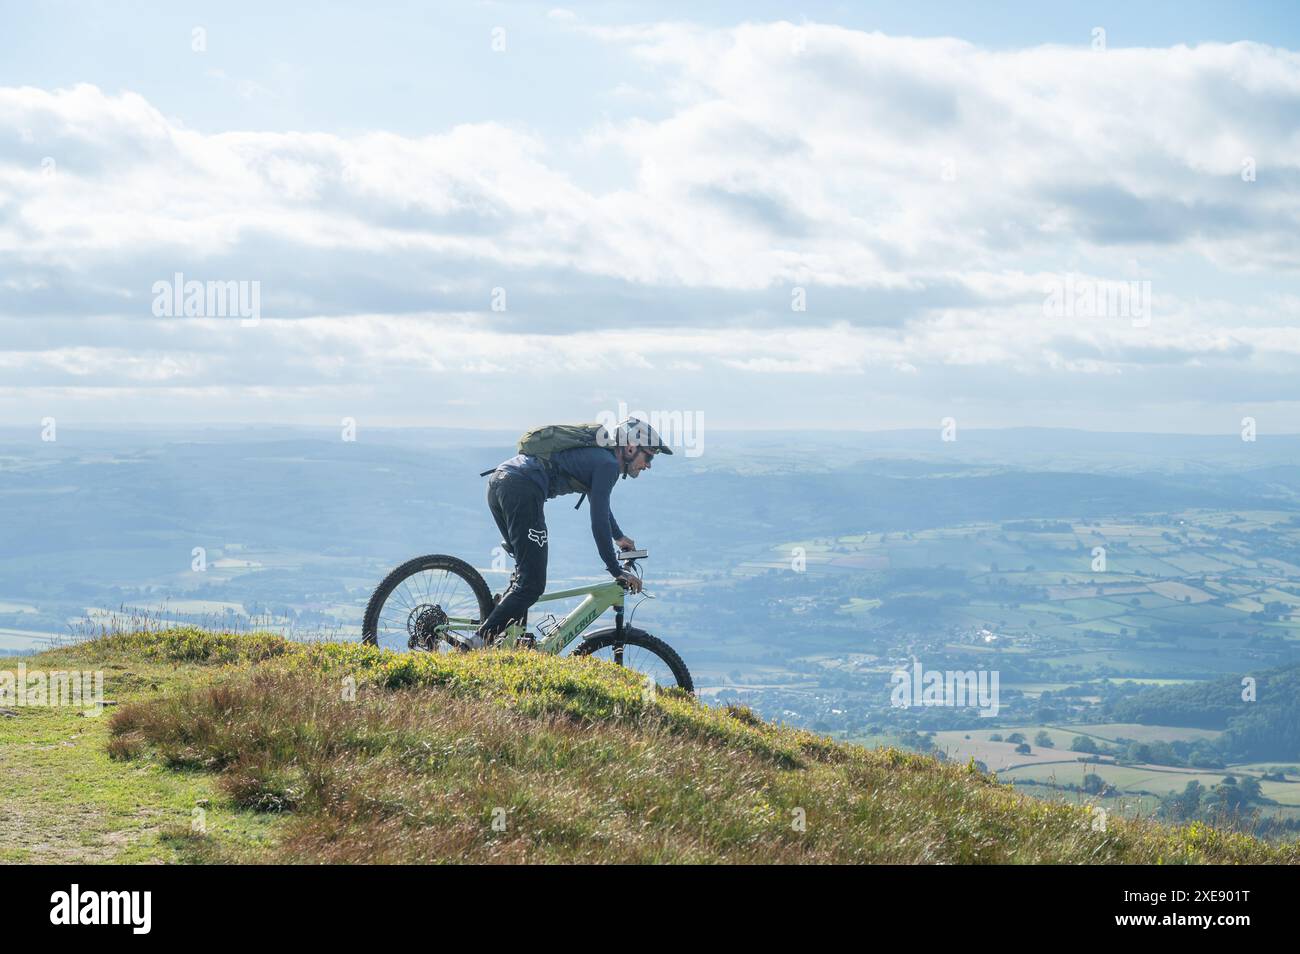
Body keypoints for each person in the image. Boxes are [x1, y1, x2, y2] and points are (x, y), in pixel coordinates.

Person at [464, 418, 671, 647]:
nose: (649, 465)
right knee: (532, 585)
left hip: (500, 481)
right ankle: (475, 644)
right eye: (649, 456)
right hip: (522, 489)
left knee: (525, 577)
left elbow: (601, 507)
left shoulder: (600, 458)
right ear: (631, 448)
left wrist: (619, 536)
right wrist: (616, 571)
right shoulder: (608, 465)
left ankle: (501, 630)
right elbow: (598, 521)